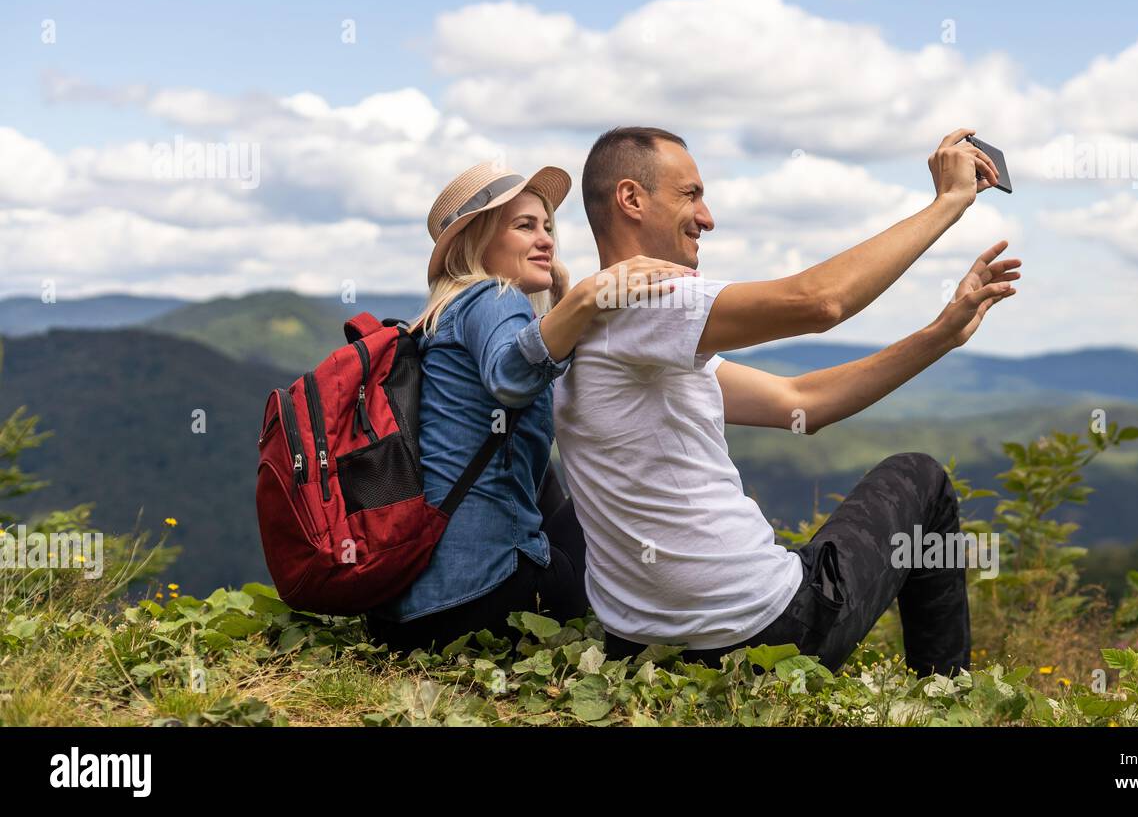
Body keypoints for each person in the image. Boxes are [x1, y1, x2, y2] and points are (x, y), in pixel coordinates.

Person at [552, 126, 1021, 676]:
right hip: (766, 635)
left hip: (642, 647)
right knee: (921, 478)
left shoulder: (585, 323)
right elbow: (820, 302)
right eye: (690, 194)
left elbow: (801, 402)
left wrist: (940, 334)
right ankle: (948, 696)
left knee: (801, 550)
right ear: (631, 199)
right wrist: (949, 203)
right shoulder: (652, 302)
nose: (707, 218)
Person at [364, 161, 693, 656]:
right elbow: (512, 377)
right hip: (485, 602)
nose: (545, 240)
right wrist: (586, 295)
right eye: (524, 226)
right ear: (476, 242)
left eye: (547, 226)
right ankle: (698, 623)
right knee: (623, 498)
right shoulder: (493, 297)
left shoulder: (441, 317)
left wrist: (561, 298)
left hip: (404, 618)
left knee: (552, 485)